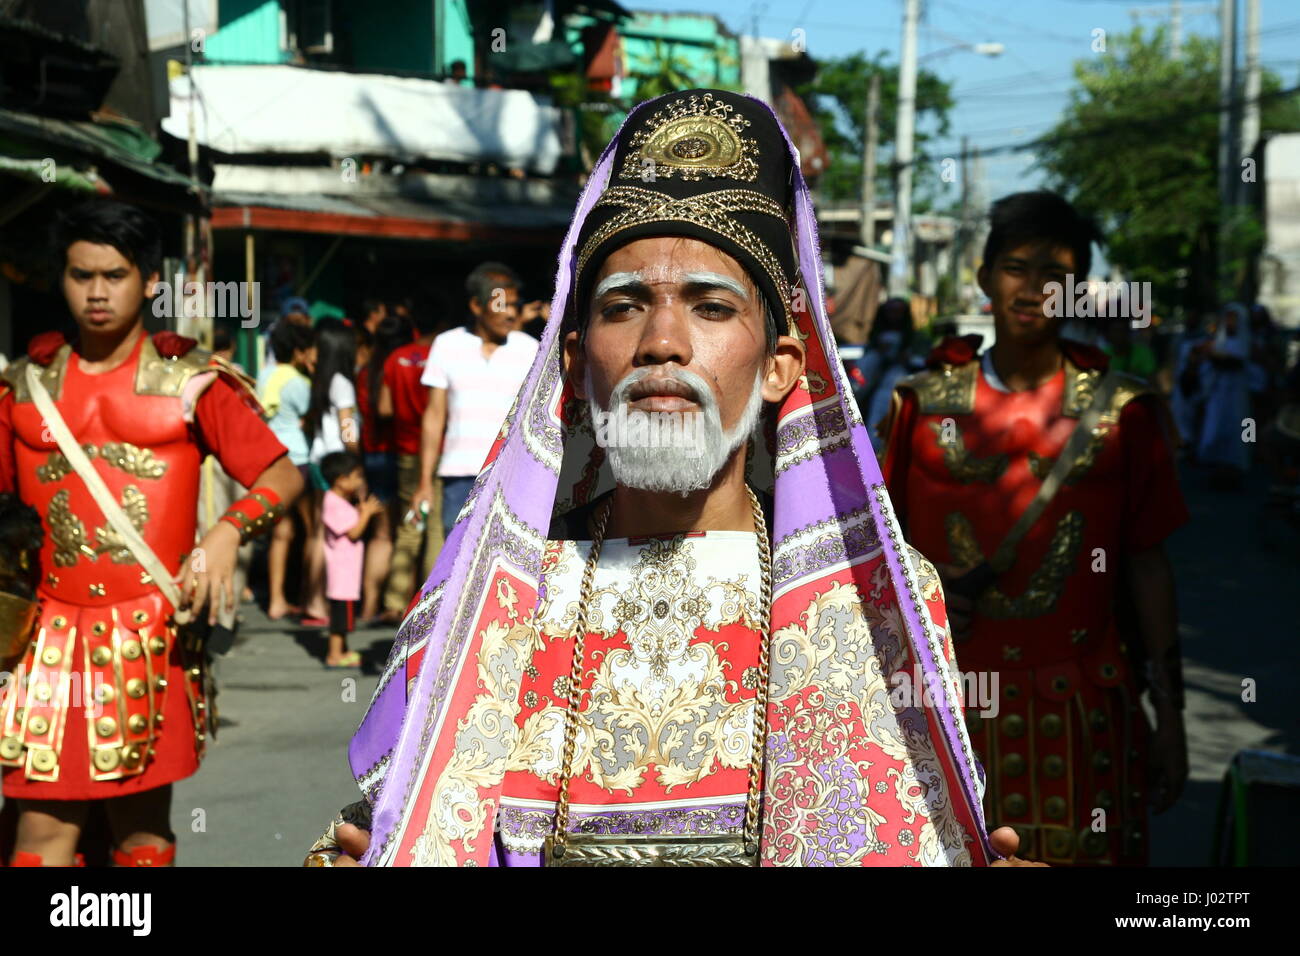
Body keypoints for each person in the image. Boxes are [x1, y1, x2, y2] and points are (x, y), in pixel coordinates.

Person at [306, 89, 1040, 868]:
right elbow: (387, 838)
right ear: (575, 363)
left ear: (780, 367)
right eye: (624, 307)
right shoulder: (496, 604)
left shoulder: (868, 606)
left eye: (711, 307)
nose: (663, 342)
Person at [882, 190, 1189, 866]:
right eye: (1017, 267)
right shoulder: (918, 403)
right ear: (985, 276)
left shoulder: (1123, 412)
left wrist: (1172, 717)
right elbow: (871, 555)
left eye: (1057, 274)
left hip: (1082, 713)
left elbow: (1146, 565)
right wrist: (917, 593)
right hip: (947, 709)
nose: (1035, 289)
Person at [0, 200, 301, 866]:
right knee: (39, 838)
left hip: (150, 633)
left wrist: (226, 532)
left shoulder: (193, 382)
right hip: (44, 642)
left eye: (114, 275)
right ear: (63, 278)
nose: (97, 293)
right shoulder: (20, 389)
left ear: (151, 281)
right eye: (82, 276)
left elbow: (280, 478)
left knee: (139, 837)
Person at [412, 263, 538, 537]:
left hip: (511, 476)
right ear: (476, 306)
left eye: (514, 305)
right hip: (459, 476)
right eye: (501, 305)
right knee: (455, 563)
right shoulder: (447, 345)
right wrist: (424, 482)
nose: (510, 314)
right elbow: (434, 417)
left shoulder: (529, 349)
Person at [379, 306, 441, 617]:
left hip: (406, 451)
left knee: (409, 525)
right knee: (435, 529)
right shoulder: (444, 356)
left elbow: (384, 408)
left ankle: (393, 600)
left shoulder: (396, 358)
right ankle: (432, 602)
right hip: (439, 450)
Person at [302, 319, 360, 623]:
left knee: (316, 534)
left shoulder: (322, 379)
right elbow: (347, 429)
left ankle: (311, 600)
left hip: (316, 460)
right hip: (336, 464)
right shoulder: (342, 382)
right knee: (331, 539)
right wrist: (356, 457)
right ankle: (318, 602)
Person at [355, 315, 410, 623]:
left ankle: (369, 606)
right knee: (401, 530)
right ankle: (396, 603)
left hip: (371, 454)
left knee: (379, 534)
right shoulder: (399, 365)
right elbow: (387, 410)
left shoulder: (365, 371)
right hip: (396, 452)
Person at [263, 320, 317, 620]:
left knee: (281, 532)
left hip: (271, 458)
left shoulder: (265, 374)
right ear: (298, 351)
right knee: (312, 530)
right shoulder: (297, 381)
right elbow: (310, 412)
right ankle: (309, 598)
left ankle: (275, 600)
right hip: (297, 456)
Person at [320, 451, 384, 668]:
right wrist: (365, 514)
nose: (359, 482)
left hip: (346, 573)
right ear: (341, 479)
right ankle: (334, 654)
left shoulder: (340, 502)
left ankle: (343, 650)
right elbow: (353, 533)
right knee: (340, 619)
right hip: (342, 574)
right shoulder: (333, 503)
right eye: (356, 476)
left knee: (344, 616)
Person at [852, 297, 923, 454]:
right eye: (891, 311)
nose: (894, 316)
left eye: (899, 312)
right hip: (872, 376)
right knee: (868, 366)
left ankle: (875, 448)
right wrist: (878, 352)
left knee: (885, 396)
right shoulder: (875, 337)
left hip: (897, 377)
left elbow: (920, 361)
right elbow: (864, 368)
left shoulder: (915, 338)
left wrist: (906, 357)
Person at [1196, 302, 1253, 489]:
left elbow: (1239, 362)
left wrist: (1221, 358)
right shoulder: (1217, 341)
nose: (1229, 322)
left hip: (1240, 395)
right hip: (1218, 392)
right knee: (1215, 428)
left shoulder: (1248, 341)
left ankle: (1240, 466)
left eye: (1233, 318)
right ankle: (1217, 467)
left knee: (1243, 430)